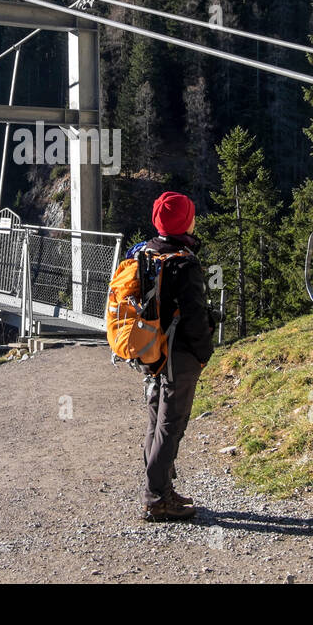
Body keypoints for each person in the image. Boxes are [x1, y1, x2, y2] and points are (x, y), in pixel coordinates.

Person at [134, 190, 217, 522]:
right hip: (179, 353)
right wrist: (203, 353)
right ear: (185, 221)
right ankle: (156, 498)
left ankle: (162, 489)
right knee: (172, 423)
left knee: (157, 419)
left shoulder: (145, 253)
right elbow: (195, 316)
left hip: (151, 349)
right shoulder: (183, 261)